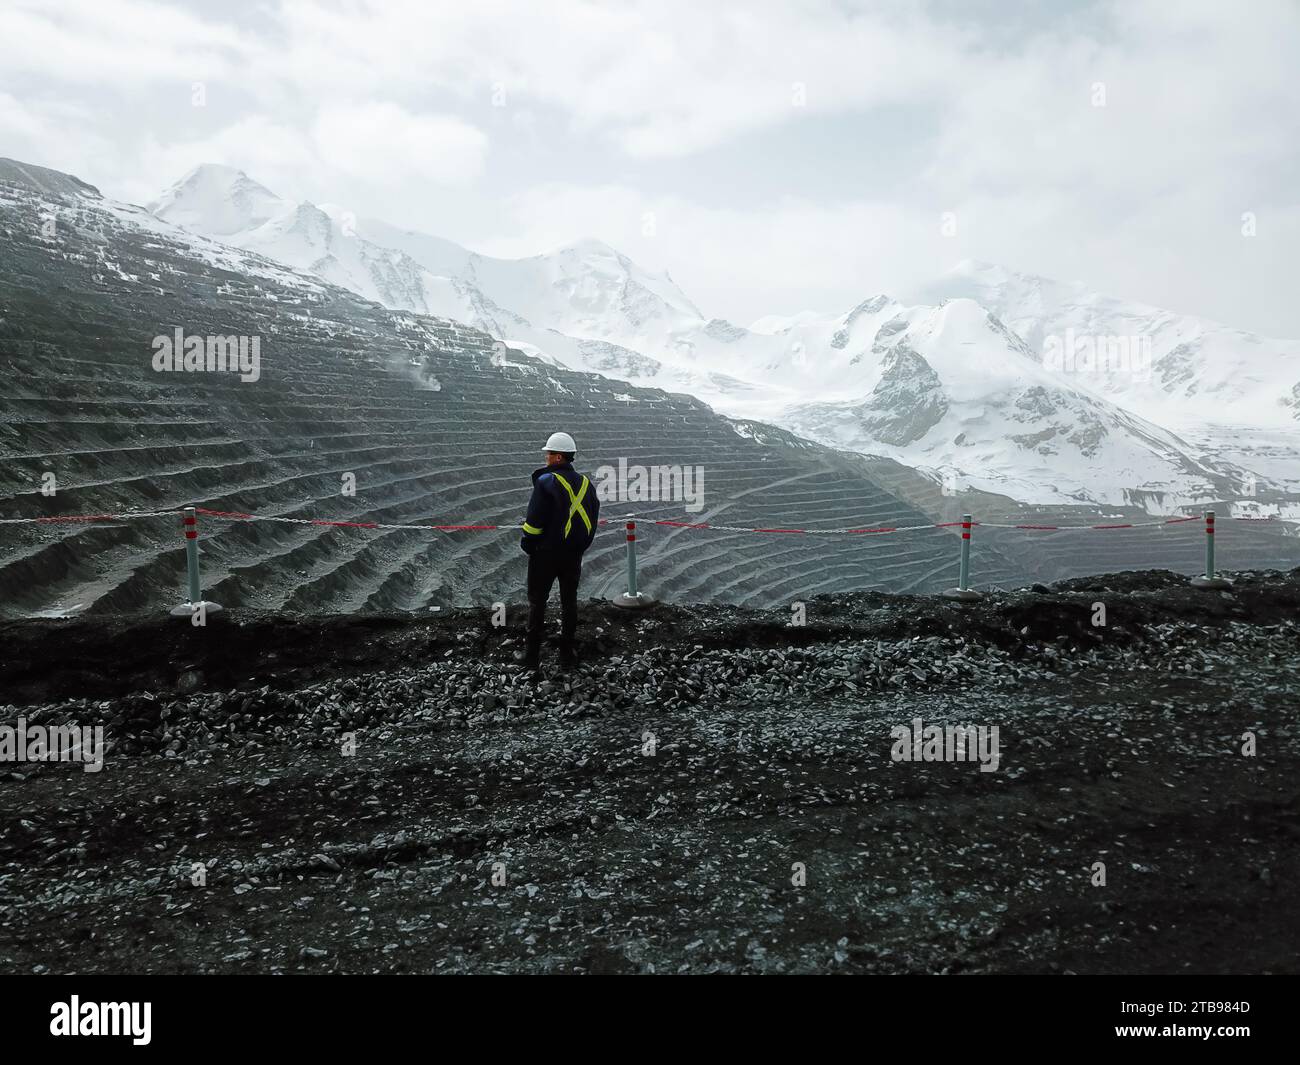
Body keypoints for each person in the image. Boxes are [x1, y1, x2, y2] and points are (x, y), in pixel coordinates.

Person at [516, 431, 600, 670]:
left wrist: (528, 544)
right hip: (573, 554)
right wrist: (581, 546)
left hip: (545, 553)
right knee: (569, 601)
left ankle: (531, 657)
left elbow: (534, 521)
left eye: (549, 453)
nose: (546, 457)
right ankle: (567, 655)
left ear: (558, 457)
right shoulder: (586, 484)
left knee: (537, 602)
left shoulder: (546, 482)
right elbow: (592, 519)